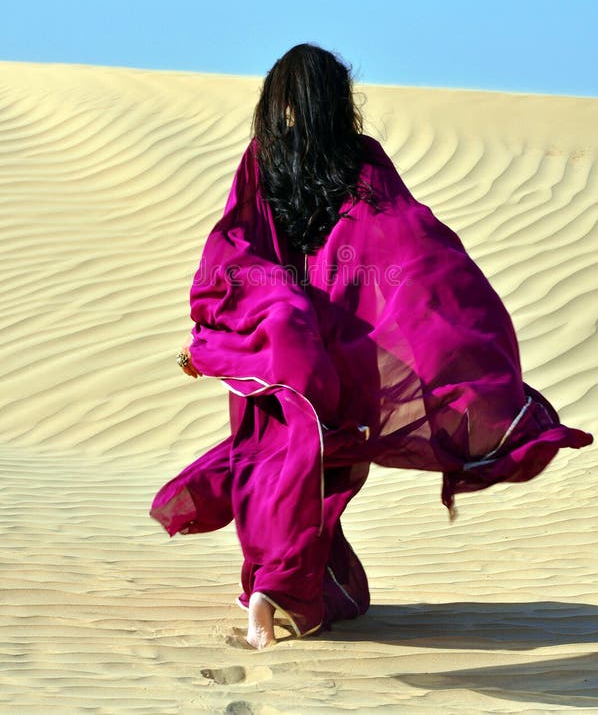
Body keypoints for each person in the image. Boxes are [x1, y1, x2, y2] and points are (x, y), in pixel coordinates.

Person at [150, 43, 593, 650]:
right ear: (337, 99)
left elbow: (235, 245)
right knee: (326, 463)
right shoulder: (359, 159)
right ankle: (274, 596)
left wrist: (229, 325)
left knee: (271, 458)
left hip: (280, 350)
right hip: (335, 352)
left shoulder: (263, 160)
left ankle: (275, 594)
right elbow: (408, 241)